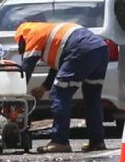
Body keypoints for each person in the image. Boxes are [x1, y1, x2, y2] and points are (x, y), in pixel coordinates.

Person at [14, 21, 111, 154]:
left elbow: (26, 69)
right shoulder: (49, 33)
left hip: (81, 49)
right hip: (100, 49)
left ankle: (60, 142)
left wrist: (16, 96)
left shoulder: (31, 35)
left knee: (59, 94)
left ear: (21, 39)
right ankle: (97, 141)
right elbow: (58, 69)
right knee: (92, 96)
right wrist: (43, 88)